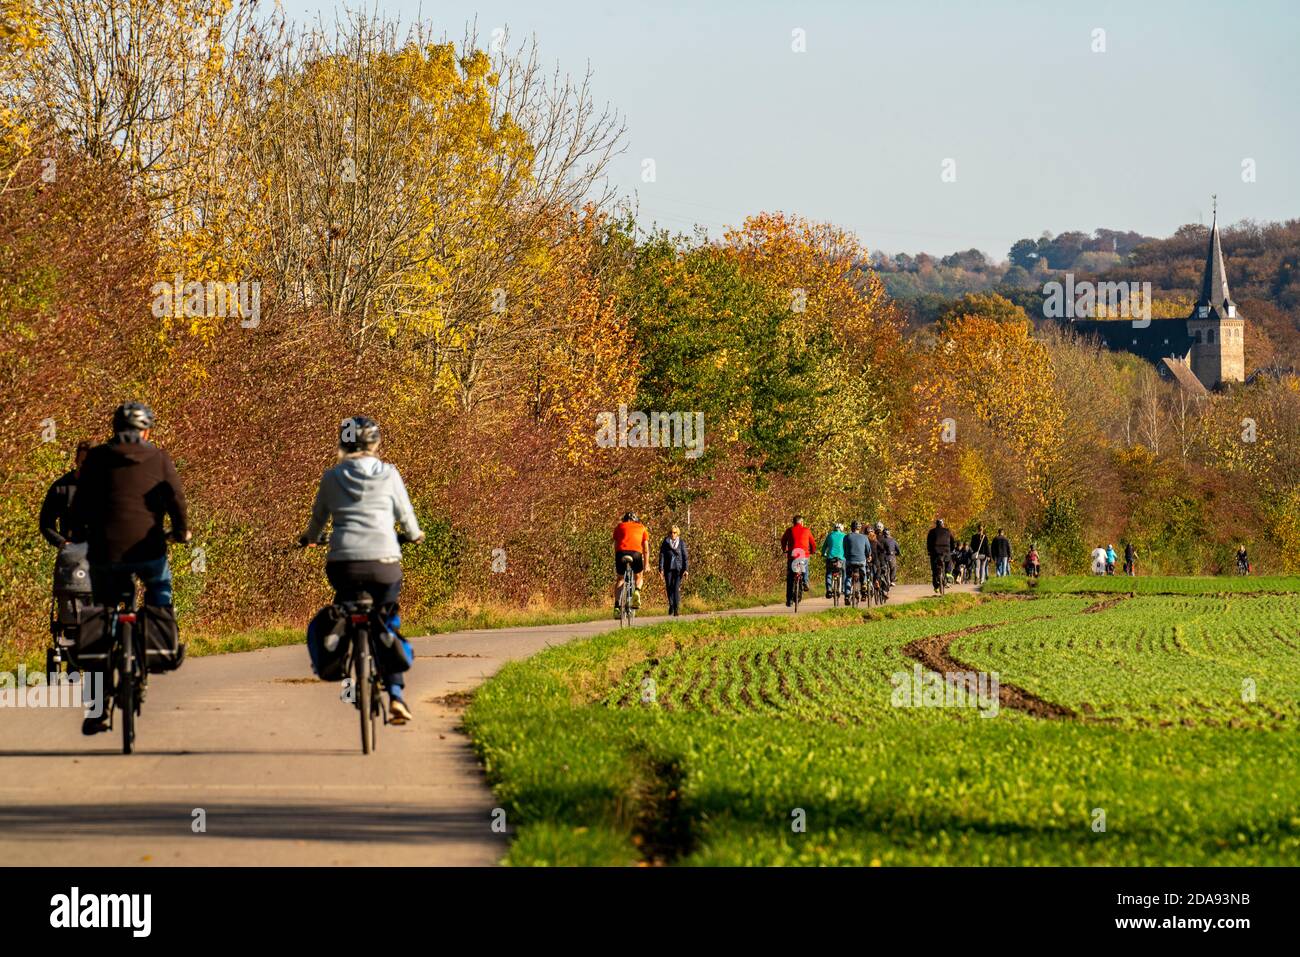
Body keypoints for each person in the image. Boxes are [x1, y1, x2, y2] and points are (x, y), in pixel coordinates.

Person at [70, 403, 190, 735]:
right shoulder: (160, 458)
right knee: (159, 590)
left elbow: (81, 505)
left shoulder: (95, 459)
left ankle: (97, 709)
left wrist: (79, 532)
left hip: (106, 552)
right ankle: (163, 644)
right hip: (148, 549)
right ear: (146, 431)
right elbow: (176, 499)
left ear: (113, 428)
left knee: (103, 611)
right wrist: (181, 531)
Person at [300, 416, 424, 724]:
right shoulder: (390, 475)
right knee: (387, 621)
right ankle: (396, 694)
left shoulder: (331, 477)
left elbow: (318, 520)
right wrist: (414, 535)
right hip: (384, 565)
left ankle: (348, 681)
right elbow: (406, 516)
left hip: (344, 565)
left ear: (342, 445)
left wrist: (310, 539)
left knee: (343, 611)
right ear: (375, 444)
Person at [39, 441, 92, 547]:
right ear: (76, 461)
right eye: (84, 462)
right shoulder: (60, 487)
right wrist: (62, 542)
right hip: (72, 554)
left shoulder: (106, 486)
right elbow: (46, 522)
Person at [612, 511, 651, 616]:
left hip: (621, 554)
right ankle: (637, 591)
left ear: (624, 520)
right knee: (639, 576)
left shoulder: (619, 526)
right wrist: (646, 564)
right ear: (636, 520)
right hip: (636, 554)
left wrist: (618, 557)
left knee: (620, 579)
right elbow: (646, 549)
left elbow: (615, 545)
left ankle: (617, 606)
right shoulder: (642, 528)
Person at [780, 515, 817, 607]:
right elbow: (813, 543)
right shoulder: (806, 530)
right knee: (805, 564)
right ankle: (805, 581)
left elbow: (783, 540)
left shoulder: (789, 530)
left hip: (792, 557)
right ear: (801, 522)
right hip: (803, 555)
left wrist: (784, 549)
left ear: (793, 522)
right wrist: (812, 551)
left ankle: (789, 600)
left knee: (790, 578)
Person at [658, 525, 689, 616]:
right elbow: (662, 555)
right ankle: (671, 604)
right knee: (669, 586)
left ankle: (676, 608)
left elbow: (685, 557)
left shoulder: (681, 543)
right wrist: (661, 569)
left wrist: (686, 569)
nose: (673, 534)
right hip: (668, 568)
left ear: (677, 533)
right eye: (671, 532)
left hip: (678, 569)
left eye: (674, 532)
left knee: (675, 588)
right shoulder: (665, 542)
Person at [925, 518, 953, 593]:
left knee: (934, 569)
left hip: (935, 552)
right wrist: (951, 550)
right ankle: (948, 573)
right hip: (946, 552)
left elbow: (928, 543)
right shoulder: (947, 531)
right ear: (943, 524)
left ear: (936, 524)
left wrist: (929, 551)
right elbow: (952, 542)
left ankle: (936, 586)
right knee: (948, 561)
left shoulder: (931, 532)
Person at [844, 521, 871, 598]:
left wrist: (846, 556)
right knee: (863, 572)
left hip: (850, 560)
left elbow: (845, 548)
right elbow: (868, 549)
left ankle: (847, 595)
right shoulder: (864, 537)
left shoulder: (847, 537)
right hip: (861, 560)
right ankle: (864, 584)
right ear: (859, 528)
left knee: (848, 576)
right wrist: (868, 556)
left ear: (851, 528)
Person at [821, 522, 847, 598]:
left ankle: (829, 589)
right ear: (841, 529)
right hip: (841, 559)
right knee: (844, 571)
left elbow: (824, 547)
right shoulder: (844, 536)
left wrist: (823, 554)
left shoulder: (829, 535)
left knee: (828, 572)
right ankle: (843, 588)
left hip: (830, 558)